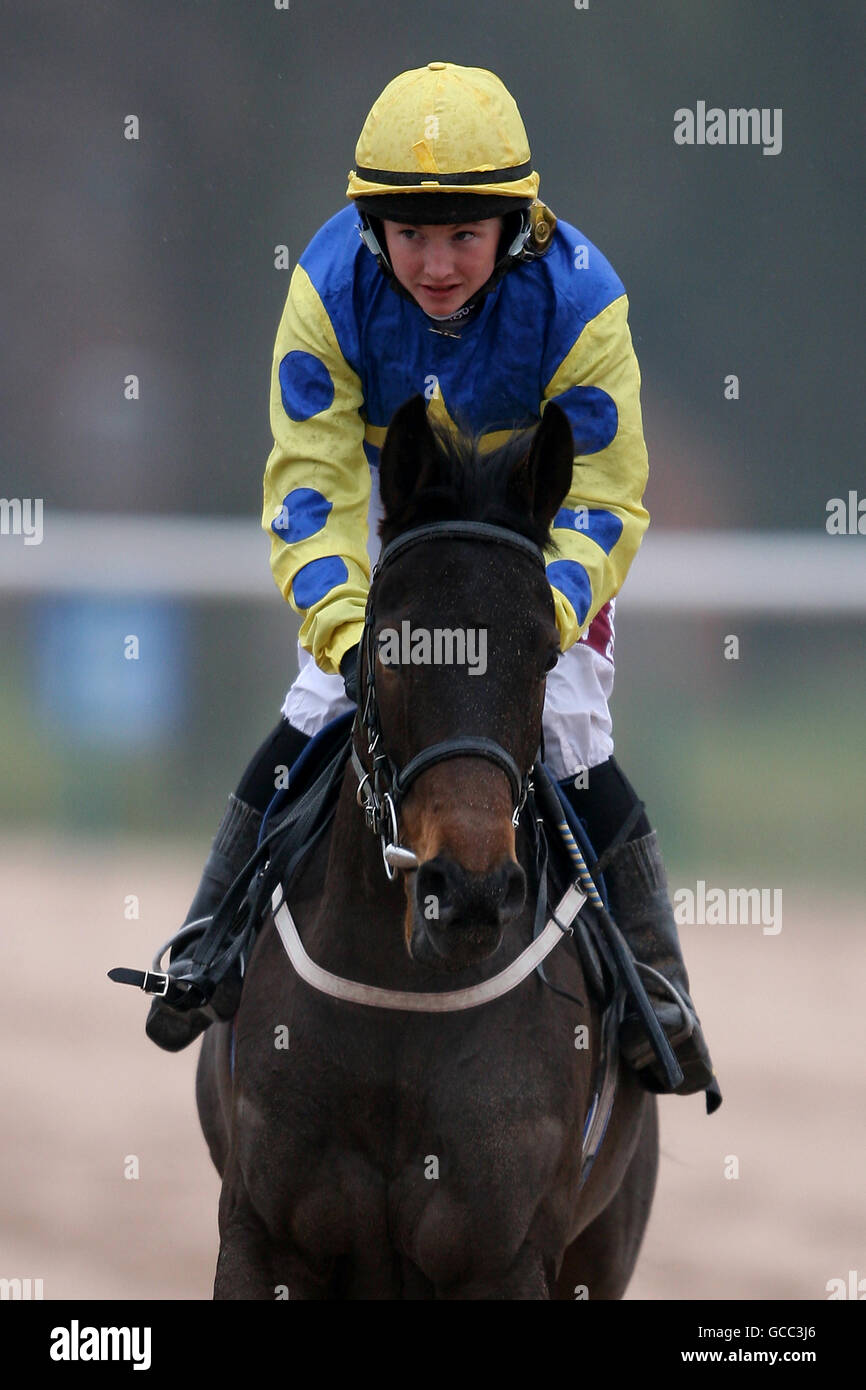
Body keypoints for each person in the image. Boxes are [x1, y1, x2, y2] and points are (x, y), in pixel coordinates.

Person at [145, 61, 716, 1100]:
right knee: (318, 702)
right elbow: (309, 488)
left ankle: (654, 985)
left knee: (573, 732)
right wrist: (351, 633)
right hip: (394, 507)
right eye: (411, 235)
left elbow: (603, 493)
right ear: (374, 230)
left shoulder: (583, 297)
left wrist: (536, 622)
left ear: (512, 224)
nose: (436, 264)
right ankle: (207, 937)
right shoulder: (327, 286)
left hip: (528, 531)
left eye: (461, 234)